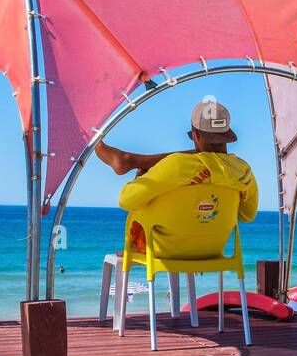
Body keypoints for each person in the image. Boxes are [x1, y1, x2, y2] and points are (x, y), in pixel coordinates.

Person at [97, 99, 259, 254]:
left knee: (144, 195)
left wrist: (141, 178)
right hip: (212, 251)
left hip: (160, 250)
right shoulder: (244, 171)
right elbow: (247, 215)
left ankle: (131, 160)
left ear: (195, 133)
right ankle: (130, 160)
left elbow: (126, 200)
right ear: (227, 135)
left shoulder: (177, 165)